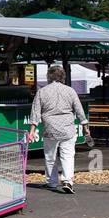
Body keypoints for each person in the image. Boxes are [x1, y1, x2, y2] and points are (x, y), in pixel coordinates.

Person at [27, 64, 90, 194]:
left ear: (49, 77)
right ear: (63, 77)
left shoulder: (42, 91)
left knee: (50, 157)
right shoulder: (70, 91)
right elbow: (79, 110)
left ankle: (52, 182)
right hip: (67, 128)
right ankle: (68, 181)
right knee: (68, 156)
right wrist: (85, 126)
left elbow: (35, 112)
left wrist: (32, 130)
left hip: (50, 128)